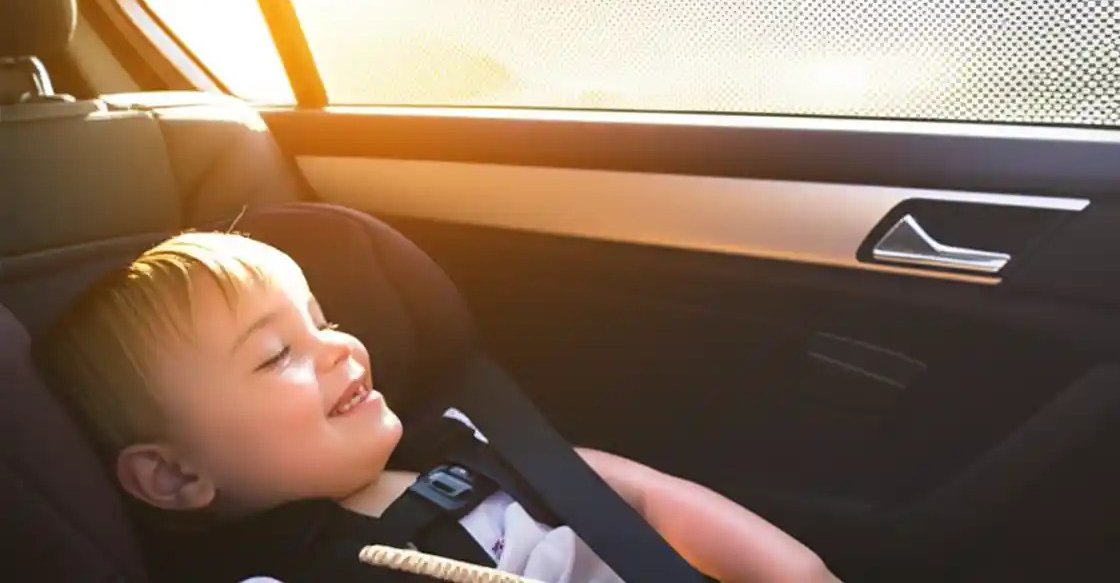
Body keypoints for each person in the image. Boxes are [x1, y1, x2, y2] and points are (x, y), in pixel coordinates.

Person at [36, 232, 839, 583]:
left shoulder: (458, 447)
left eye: (323, 320)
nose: (340, 348)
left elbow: (619, 493)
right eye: (277, 354)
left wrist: (796, 573)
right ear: (176, 475)